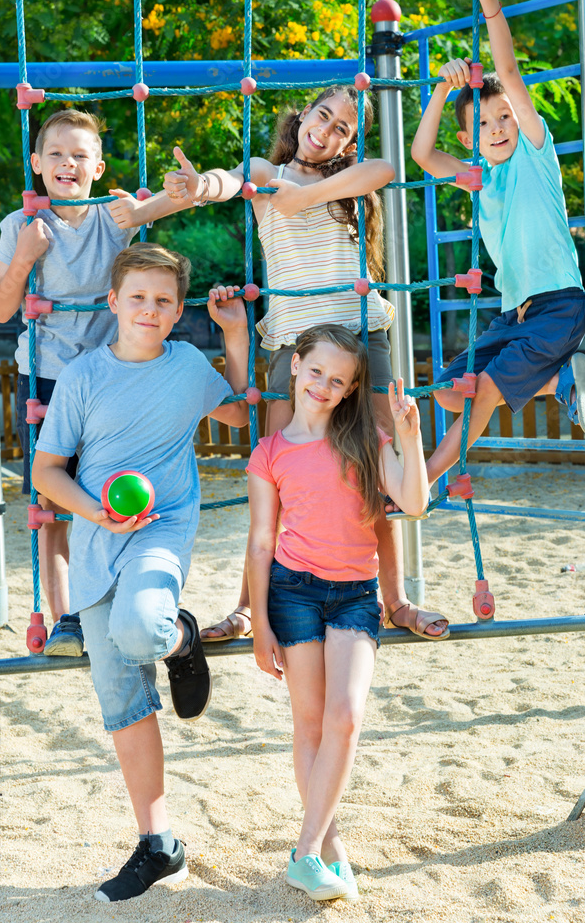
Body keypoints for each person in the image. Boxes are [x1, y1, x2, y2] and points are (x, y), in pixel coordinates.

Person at [145, 85, 447, 642]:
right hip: (292, 342)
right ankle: (244, 604)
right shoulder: (267, 169)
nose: (327, 130)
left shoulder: (346, 186)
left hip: (359, 333)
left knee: (375, 467)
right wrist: (202, 186)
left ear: (347, 143)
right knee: (276, 467)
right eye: (323, 115)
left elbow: (382, 167)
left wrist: (303, 197)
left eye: (342, 129)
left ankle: (397, 599)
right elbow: (232, 181)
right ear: (303, 114)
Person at [31, 242, 249, 902]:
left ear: (178, 310)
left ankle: (177, 636)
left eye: (162, 300)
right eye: (137, 298)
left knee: (139, 631)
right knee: (122, 700)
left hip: (161, 531)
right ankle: (158, 844)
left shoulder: (186, 364)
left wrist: (235, 336)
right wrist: (93, 508)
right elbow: (45, 472)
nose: (149, 310)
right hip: (99, 542)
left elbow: (240, 413)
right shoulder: (82, 376)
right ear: (114, 303)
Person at [246, 323, 442, 903]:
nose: (324, 386)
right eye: (315, 373)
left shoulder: (366, 439)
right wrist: (259, 624)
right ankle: (329, 849)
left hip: (355, 594)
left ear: (352, 388)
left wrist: (408, 438)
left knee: (347, 718)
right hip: (293, 593)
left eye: (339, 381)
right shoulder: (271, 451)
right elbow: (260, 543)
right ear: (297, 366)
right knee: (309, 723)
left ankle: (303, 852)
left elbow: (414, 503)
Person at [410, 0, 585, 487]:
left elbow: (510, 74)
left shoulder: (534, 154)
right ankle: (561, 376)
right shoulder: (480, 179)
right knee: (451, 389)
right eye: (484, 124)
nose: (497, 127)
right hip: (512, 317)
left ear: (519, 122)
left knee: (483, 393)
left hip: (557, 308)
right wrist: (443, 89)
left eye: (505, 118)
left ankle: (425, 477)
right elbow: (422, 155)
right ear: (469, 140)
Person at [0, 110, 159, 656]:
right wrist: (23, 258)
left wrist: (177, 193)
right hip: (49, 377)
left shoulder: (115, 216)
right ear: (36, 163)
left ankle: (109, 601)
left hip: (110, 377)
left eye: (80, 155)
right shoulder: (22, 223)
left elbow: (169, 207)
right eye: (56, 154)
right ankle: (66, 621)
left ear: (98, 166)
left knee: (115, 495)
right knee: (53, 505)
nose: (67, 163)